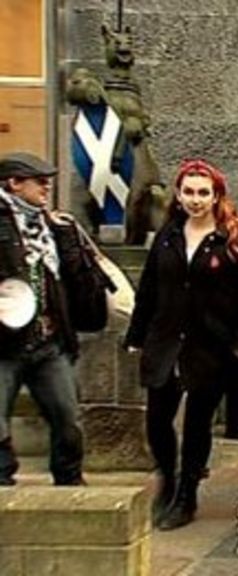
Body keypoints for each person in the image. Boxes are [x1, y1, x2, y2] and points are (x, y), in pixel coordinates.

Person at [125, 159, 238, 530]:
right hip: (166, 340)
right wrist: (137, 336)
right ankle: (167, 480)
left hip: (211, 346)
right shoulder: (168, 236)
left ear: (217, 195)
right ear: (178, 194)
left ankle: (187, 493)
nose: (196, 199)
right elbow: (150, 290)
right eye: (189, 191)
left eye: (203, 192)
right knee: (158, 418)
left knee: (198, 423)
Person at [0, 152, 98, 487]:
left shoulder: (51, 225)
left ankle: (70, 482)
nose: (46, 187)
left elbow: (74, 278)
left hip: (49, 341)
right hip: (4, 344)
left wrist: (67, 238)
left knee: (67, 417)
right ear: (14, 184)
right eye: (38, 181)